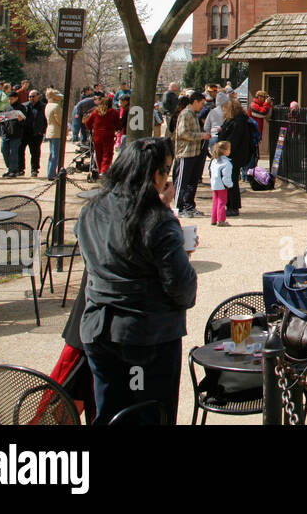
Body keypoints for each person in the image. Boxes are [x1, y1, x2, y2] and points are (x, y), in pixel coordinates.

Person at [76, 136, 197, 425]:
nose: (167, 177)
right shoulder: (156, 220)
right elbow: (182, 289)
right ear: (155, 173)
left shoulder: (92, 209)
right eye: (166, 170)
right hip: (144, 337)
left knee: (110, 411)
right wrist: (183, 250)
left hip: (99, 327)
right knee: (148, 413)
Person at [173, 92, 210, 218]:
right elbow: (183, 133)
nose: (202, 106)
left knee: (192, 182)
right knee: (182, 181)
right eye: (201, 103)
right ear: (195, 101)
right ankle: (178, 207)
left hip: (195, 152)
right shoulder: (185, 114)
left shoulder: (194, 114)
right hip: (185, 153)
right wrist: (201, 136)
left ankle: (189, 206)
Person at [217, 96, 252, 218]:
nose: (224, 112)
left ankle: (233, 206)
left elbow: (234, 140)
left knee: (231, 180)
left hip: (234, 156)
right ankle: (231, 205)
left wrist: (224, 151)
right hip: (233, 155)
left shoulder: (238, 122)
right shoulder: (235, 121)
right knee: (230, 180)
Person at [83, 96, 121, 176]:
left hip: (97, 135)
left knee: (98, 153)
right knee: (107, 153)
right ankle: (104, 169)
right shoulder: (113, 112)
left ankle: (100, 169)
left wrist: (91, 127)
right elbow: (118, 125)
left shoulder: (95, 112)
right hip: (108, 135)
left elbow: (88, 123)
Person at [0, 95, 28, 178]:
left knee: (14, 152)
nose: (10, 100)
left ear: (16, 98)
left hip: (16, 134)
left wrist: (21, 120)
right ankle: (10, 168)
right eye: (9, 99)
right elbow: (3, 119)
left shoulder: (21, 107)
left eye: (11, 99)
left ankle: (13, 170)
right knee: (4, 150)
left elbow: (25, 121)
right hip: (6, 133)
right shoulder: (7, 107)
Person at [208, 140, 232, 227]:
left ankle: (213, 219)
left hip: (214, 184)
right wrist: (229, 184)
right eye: (229, 149)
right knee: (222, 202)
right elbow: (226, 176)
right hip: (222, 185)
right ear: (225, 151)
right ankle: (221, 220)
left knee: (215, 201)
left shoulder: (214, 161)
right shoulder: (227, 163)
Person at [44, 89, 64, 181]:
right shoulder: (56, 106)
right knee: (55, 154)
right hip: (56, 131)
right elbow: (60, 120)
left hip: (50, 130)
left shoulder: (48, 105)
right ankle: (52, 174)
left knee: (52, 153)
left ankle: (50, 172)